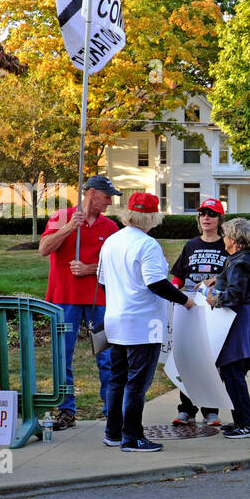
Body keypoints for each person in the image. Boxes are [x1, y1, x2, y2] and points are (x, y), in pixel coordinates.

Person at [97, 193, 195, 453]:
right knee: (137, 383)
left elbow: (102, 281)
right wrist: (184, 300)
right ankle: (132, 437)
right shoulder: (147, 244)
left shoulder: (111, 241)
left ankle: (113, 432)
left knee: (117, 379)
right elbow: (155, 282)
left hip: (116, 319)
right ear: (153, 216)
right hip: (143, 323)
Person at [38, 175, 121, 429]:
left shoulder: (110, 227)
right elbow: (44, 248)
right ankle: (66, 410)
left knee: (106, 355)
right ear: (92, 193)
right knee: (63, 355)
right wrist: (68, 228)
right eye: (106, 196)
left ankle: (112, 409)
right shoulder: (63, 217)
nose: (109, 202)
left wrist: (89, 269)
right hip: (65, 298)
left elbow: (117, 265)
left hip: (99, 298)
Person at [168, 198, 228, 425]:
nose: (206, 218)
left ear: (219, 219)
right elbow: (178, 276)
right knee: (189, 357)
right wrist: (172, 292)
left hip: (216, 309)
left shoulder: (226, 245)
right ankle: (186, 408)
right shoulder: (191, 245)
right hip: (190, 307)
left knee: (212, 360)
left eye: (211, 214)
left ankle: (211, 410)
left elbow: (234, 274)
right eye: (202, 214)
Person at [207, 218, 250, 438]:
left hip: (241, 317)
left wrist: (214, 299)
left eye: (225, 235)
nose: (223, 239)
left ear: (233, 239)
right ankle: (241, 421)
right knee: (234, 371)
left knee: (233, 369)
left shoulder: (239, 262)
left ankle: (248, 424)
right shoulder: (246, 258)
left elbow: (235, 295)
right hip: (246, 316)